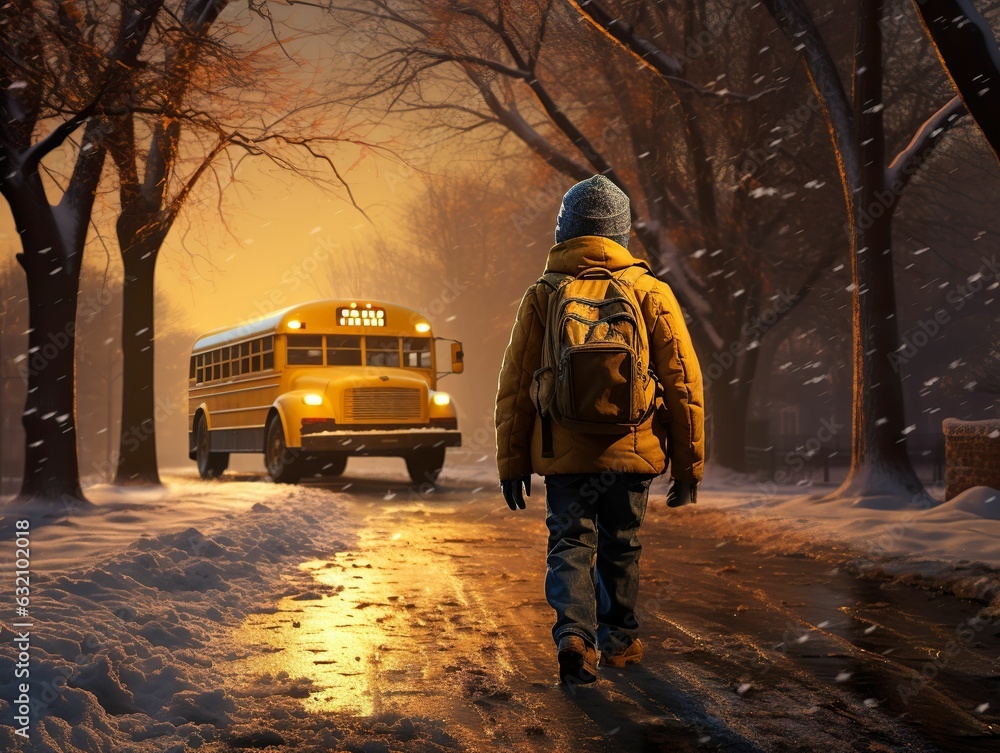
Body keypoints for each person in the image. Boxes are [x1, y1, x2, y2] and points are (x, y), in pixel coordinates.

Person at [494, 174, 705, 685]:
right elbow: (683, 383)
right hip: (632, 450)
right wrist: (688, 464)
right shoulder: (650, 291)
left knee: (570, 542)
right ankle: (618, 639)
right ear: (620, 233)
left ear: (566, 229)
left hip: (564, 452)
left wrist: (512, 460)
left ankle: (573, 635)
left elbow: (516, 385)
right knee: (622, 543)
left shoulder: (543, 294)